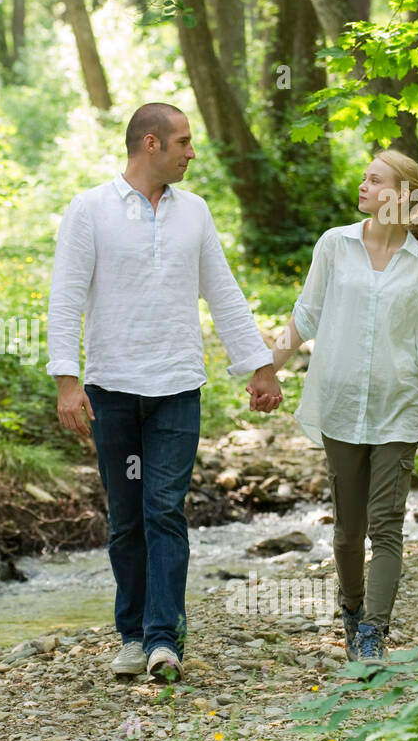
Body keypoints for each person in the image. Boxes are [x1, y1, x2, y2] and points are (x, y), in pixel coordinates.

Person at [47, 102, 282, 682]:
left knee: (165, 511)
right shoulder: (90, 210)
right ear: (150, 144)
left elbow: (223, 292)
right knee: (127, 518)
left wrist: (260, 367)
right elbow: (66, 298)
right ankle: (131, 634)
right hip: (112, 389)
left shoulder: (194, 212)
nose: (191, 153)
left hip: (178, 387)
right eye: (183, 142)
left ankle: (163, 640)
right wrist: (67, 382)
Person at [269, 149, 418, 667]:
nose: (363, 186)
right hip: (342, 404)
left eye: (375, 180)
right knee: (349, 531)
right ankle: (351, 610)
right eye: (364, 178)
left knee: (386, 526)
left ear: (402, 196)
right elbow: (306, 314)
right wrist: (267, 369)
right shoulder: (335, 244)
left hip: (399, 409)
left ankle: (373, 631)